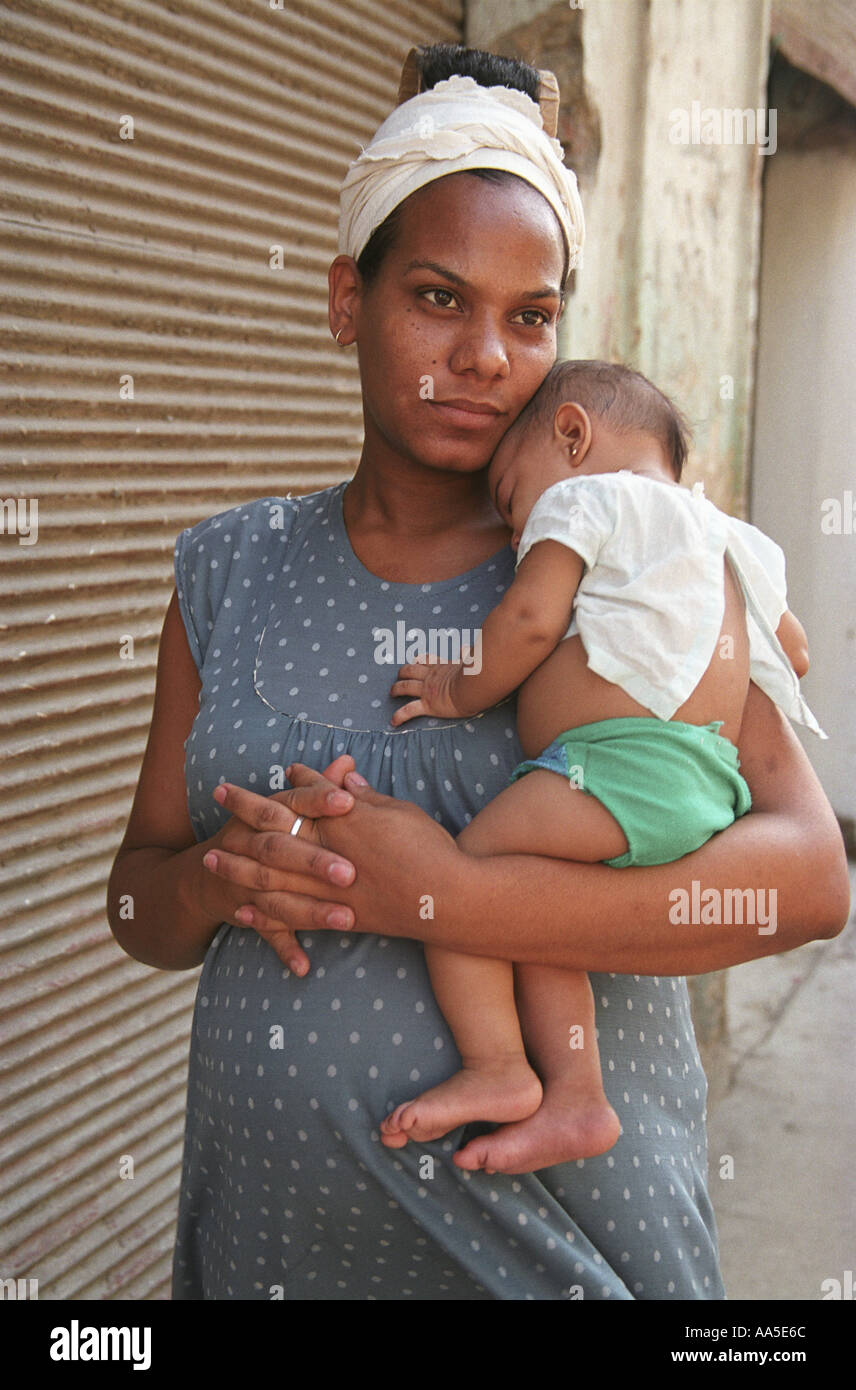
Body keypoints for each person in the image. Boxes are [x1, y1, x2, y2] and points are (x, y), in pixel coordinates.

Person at [107, 44, 849, 1301]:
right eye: (440, 299)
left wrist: (441, 893)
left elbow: (806, 883)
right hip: (274, 1250)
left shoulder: (630, 553)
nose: (487, 356)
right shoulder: (227, 572)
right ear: (350, 299)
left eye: (532, 316)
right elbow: (134, 906)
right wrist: (223, 880)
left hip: (558, 1250)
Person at [376, 358, 824, 1176]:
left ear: (572, 436)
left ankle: (503, 1069)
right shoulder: (729, 535)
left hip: (613, 770)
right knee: (540, 916)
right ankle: (578, 1100)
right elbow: (792, 651)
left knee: (464, 884)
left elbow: (533, 620)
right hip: (706, 781)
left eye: (511, 499)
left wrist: (457, 686)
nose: (516, 532)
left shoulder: (586, 500)